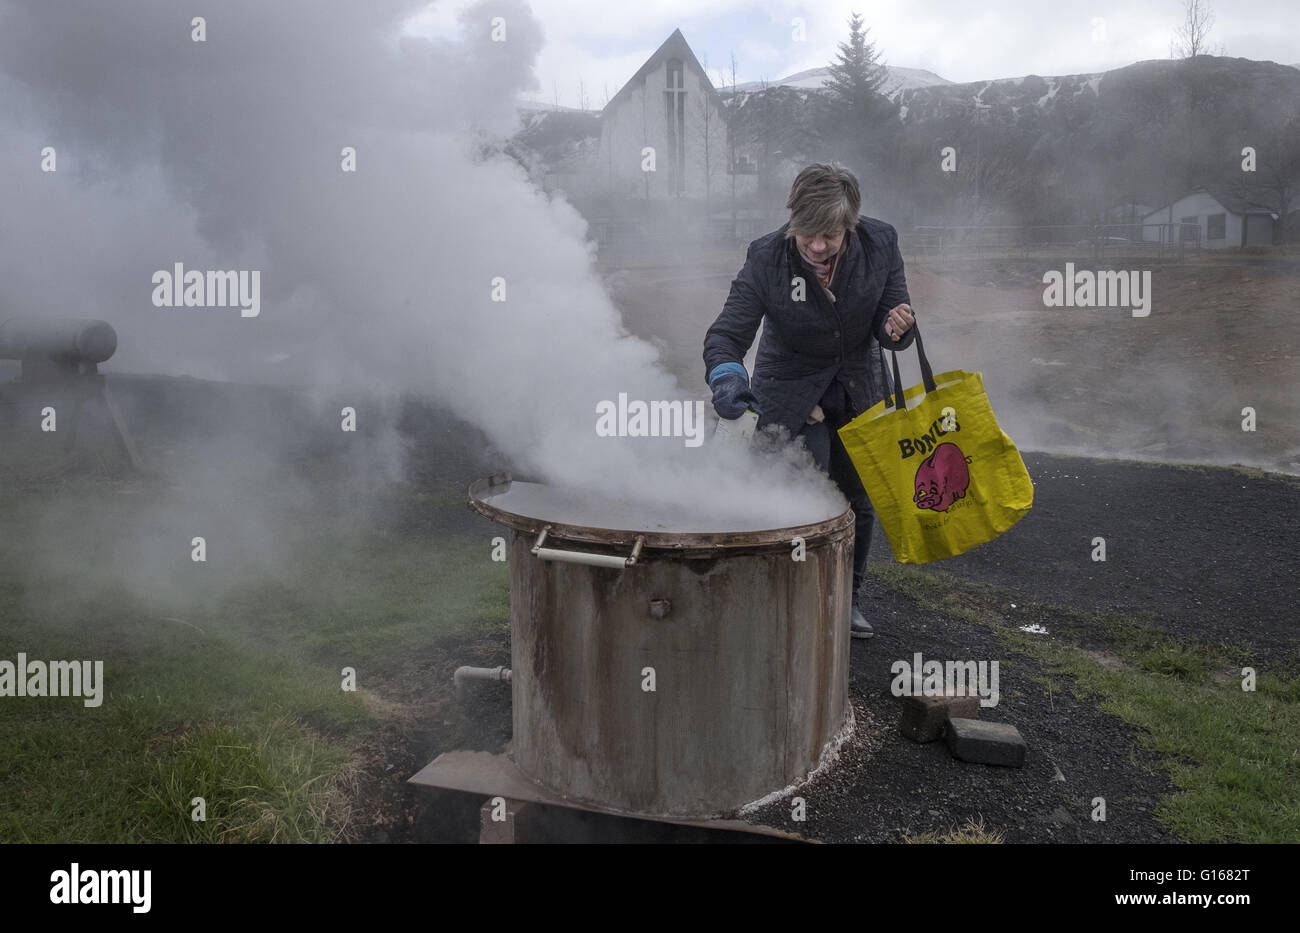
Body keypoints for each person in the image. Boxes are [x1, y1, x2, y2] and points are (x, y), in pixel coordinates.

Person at [703, 163, 916, 640]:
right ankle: (785, 603)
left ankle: (847, 601)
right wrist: (727, 378)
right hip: (789, 389)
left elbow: (889, 320)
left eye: (829, 236)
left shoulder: (881, 244)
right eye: (807, 234)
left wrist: (897, 327)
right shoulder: (766, 258)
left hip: (857, 390)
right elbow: (727, 334)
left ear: (850, 226)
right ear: (792, 219)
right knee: (800, 496)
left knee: (856, 498)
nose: (817, 247)